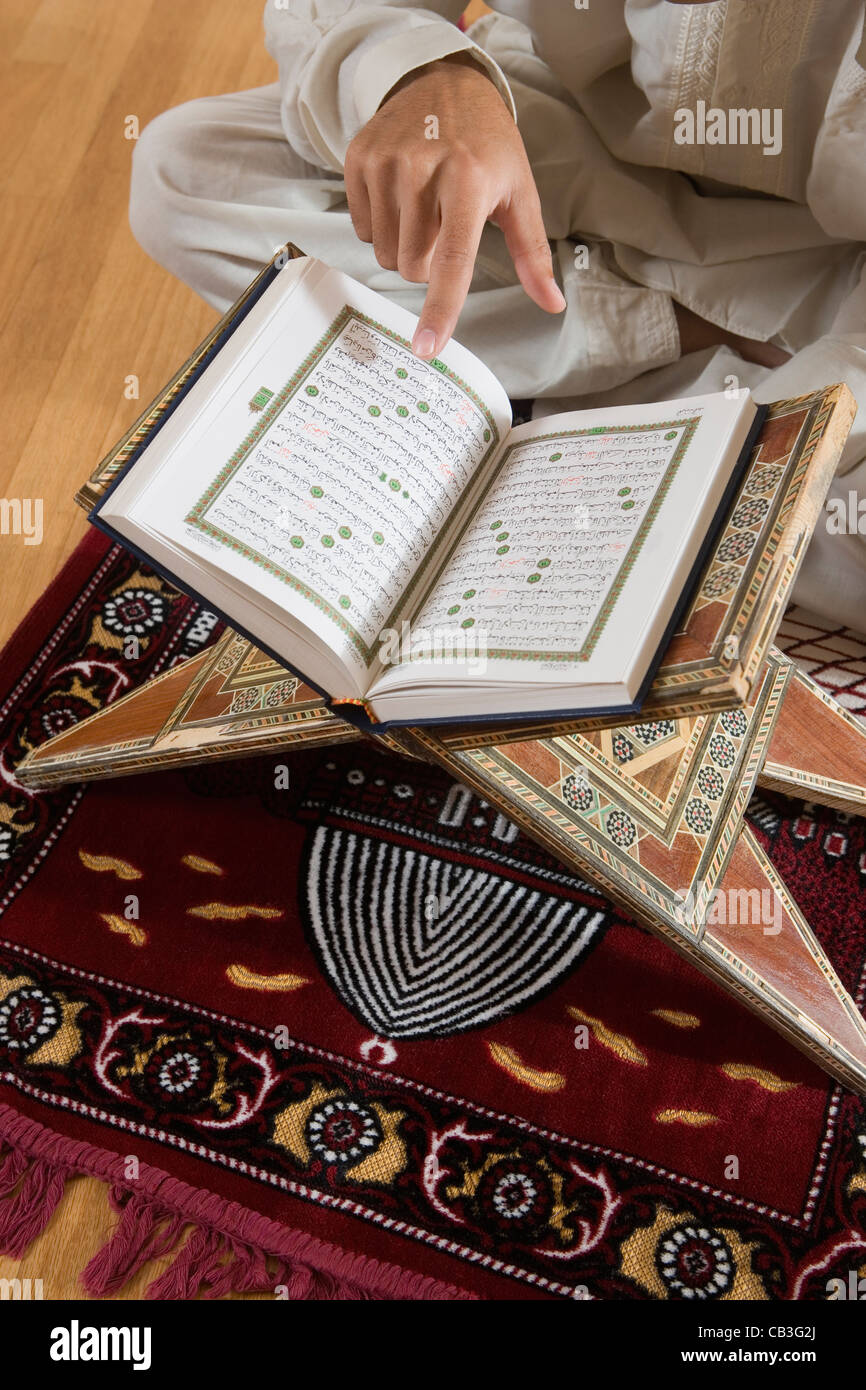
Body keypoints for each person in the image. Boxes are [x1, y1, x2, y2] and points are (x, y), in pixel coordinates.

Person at [129, 1, 866, 628]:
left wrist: (825, 407)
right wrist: (428, 78)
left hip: (840, 280)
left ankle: (567, 407)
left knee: (811, 510)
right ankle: (670, 377)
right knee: (187, 170)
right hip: (573, 160)